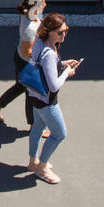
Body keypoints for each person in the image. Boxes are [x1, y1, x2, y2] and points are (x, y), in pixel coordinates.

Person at [27, 13, 80, 184]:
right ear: (50, 32)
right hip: (47, 102)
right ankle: (42, 167)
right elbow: (54, 85)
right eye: (60, 32)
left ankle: (33, 162)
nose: (64, 35)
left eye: (66, 31)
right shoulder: (49, 53)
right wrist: (66, 72)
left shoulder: (40, 43)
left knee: (37, 129)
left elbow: (44, 67)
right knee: (59, 134)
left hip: (35, 96)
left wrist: (63, 63)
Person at [0, 0, 45, 129]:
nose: (46, 4)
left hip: (20, 59)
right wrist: (43, 58)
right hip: (26, 63)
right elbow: (27, 51)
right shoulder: (30, 29)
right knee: (31, 94)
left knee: (20, 87)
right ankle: (33, 125)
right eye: (44, 3)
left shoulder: (30, 15)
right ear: (36, 7)